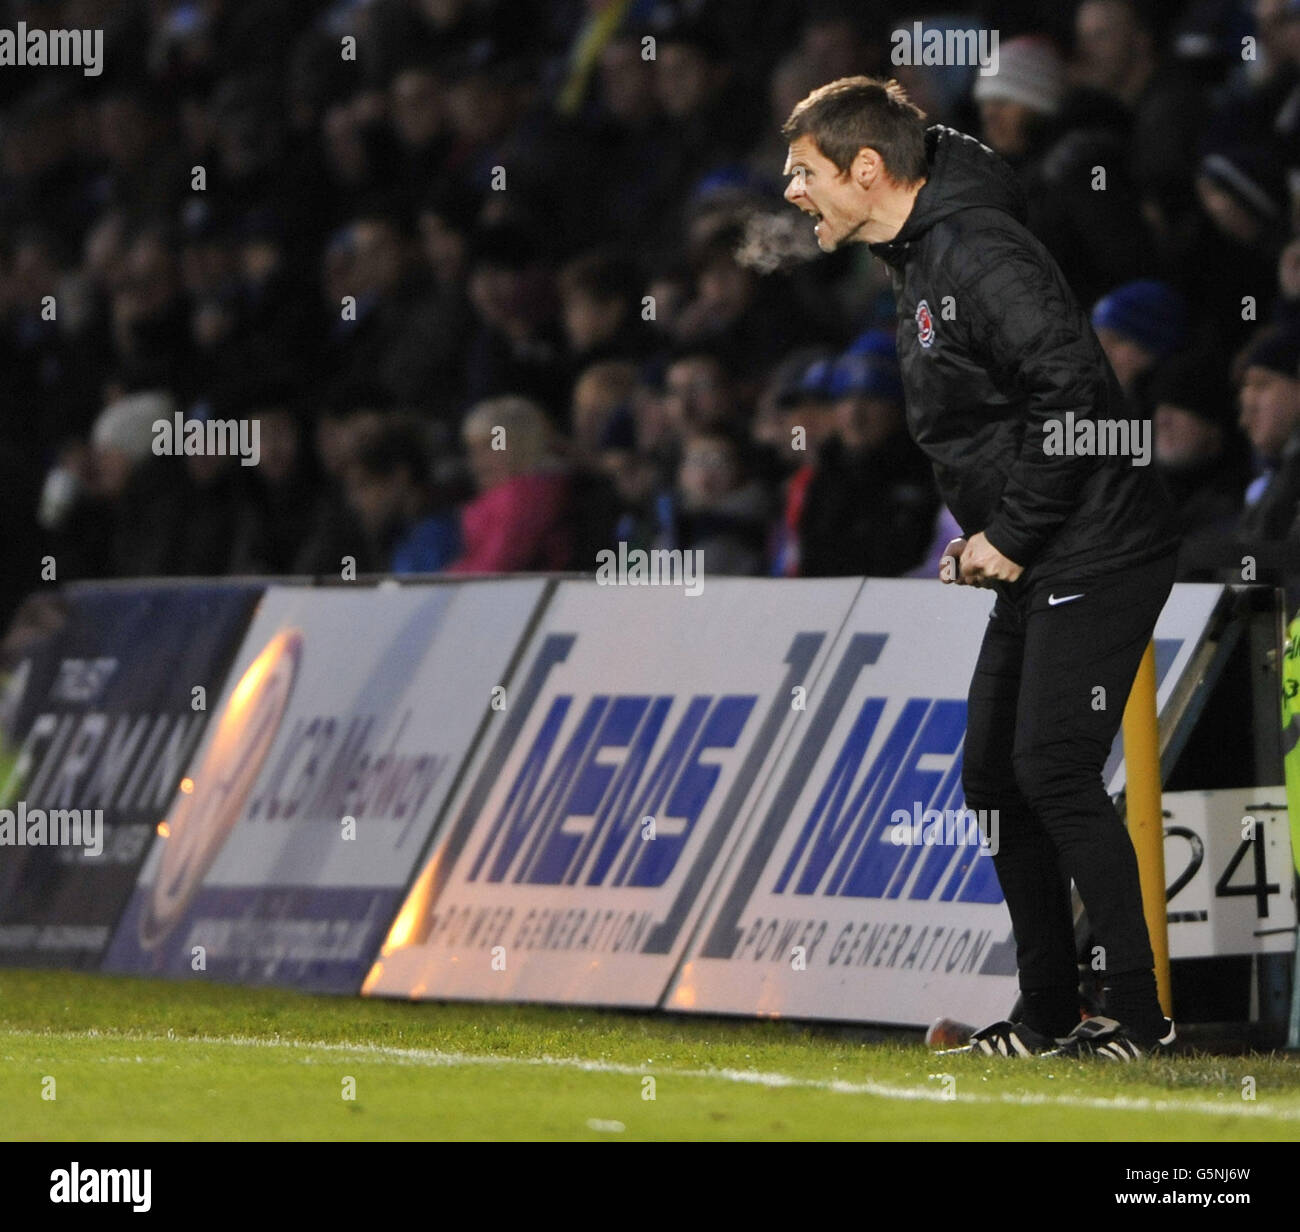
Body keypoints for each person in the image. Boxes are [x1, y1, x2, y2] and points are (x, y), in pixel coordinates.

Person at [781, 76, 1182, 1059]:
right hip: (1046, 544)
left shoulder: (976, 248)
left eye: (803, 172)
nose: (790, 192)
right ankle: (1047, 1015)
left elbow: (1075, 394)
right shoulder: (923, 250)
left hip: (1098, 541)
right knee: (995, 780)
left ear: (865, 169)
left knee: (1048, 767)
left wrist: (1014, 530)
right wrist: (992, 531)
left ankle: (1138, 1017)